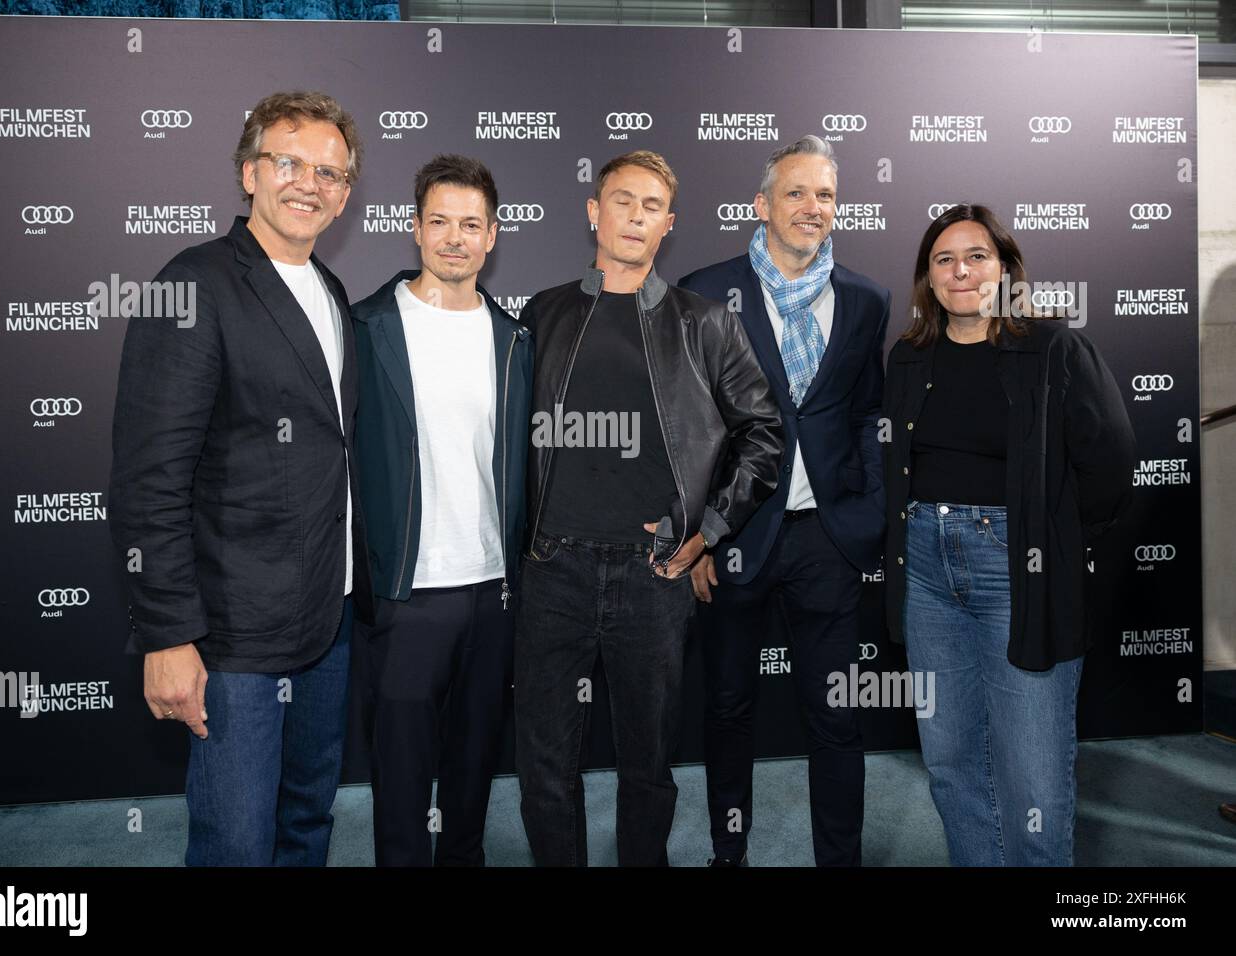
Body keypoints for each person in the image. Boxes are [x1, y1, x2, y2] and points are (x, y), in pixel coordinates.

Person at [110, 91, 371, 866]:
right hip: (232, 634)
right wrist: (167, 634)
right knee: (236, 840)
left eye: (330, 171)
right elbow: (149, 477)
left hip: (329, 614)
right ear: (249, 172)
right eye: (289, 162)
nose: (309, 183)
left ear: (348, 193)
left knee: (305, 821)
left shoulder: (331, 292)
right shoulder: (192, 283)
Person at [515, 149, 783, 867]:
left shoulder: (705, 323)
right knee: (544, 767)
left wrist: (711, 530)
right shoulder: (543, 313)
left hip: (653, 576)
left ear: (669, 224)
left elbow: (764, 434)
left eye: (650, 207)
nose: (635, 216)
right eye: (621, 201)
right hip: (552, 569)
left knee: (648, 768)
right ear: (593, 212)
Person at [882, 203, 1135, 866]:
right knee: (951, 763)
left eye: (977, 256)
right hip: (927, 576)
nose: (960, 270)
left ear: (1004, 269)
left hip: (1018, 572)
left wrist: (1054, 543)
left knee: (1034, 780)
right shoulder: (908, 358)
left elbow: (1109, 459)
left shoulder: (1052, 347)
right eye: (944, 259)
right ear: (927, 278)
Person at [679, 136, 889, 867]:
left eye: (825, 195)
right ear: (762, 205)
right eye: (796, 193)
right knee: (729, 709)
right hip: (734, 537)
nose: (812, 207)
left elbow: (865, 415)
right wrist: (696, 536)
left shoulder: (867, 300)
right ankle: (727, 855)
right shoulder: (705, 290)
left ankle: (842, 859)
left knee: (836, 715)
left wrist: (863, 515)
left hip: (826, 541)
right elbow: (687, 425)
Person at [350, 155, 532, 866]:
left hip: (495, 593)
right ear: (414, 229)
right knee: (398, 786)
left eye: (470, 224)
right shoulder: (365, 328)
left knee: (472, 776)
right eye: (439, 222)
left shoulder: (517, 338)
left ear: (492, 236)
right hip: (404, 596)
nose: (454, 238)